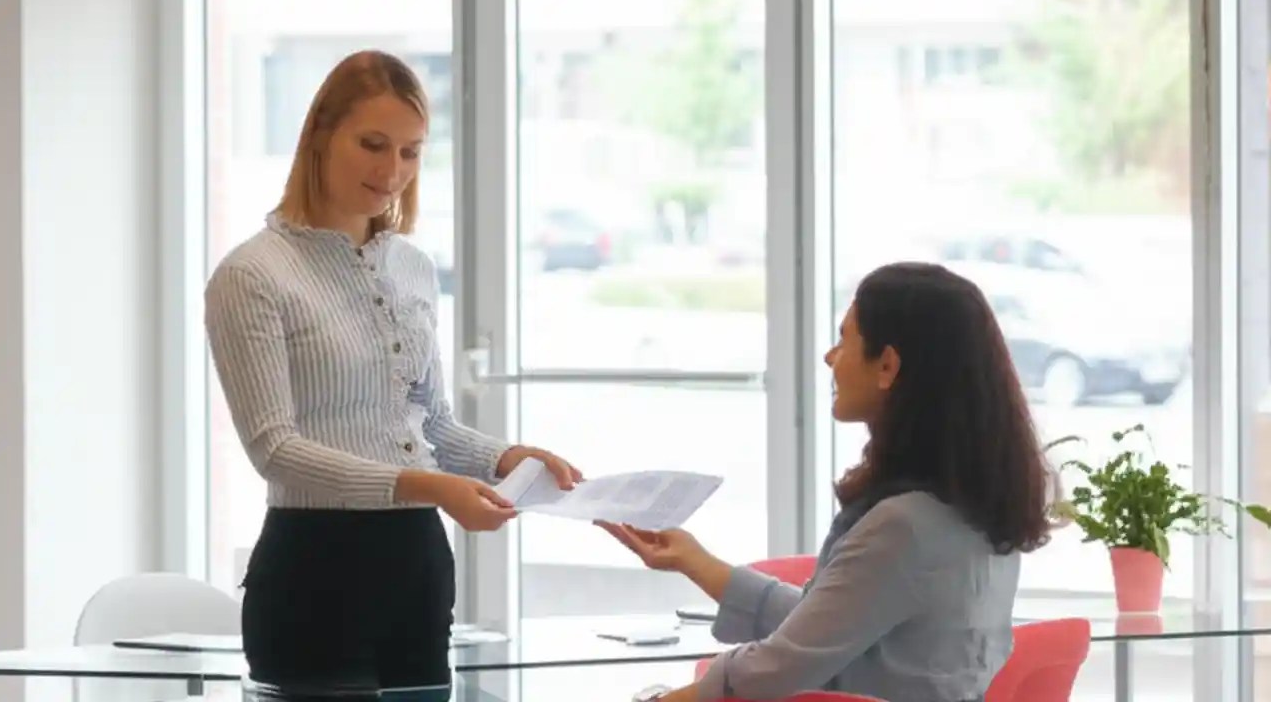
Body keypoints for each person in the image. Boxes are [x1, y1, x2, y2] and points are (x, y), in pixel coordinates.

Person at [205, 50, 580, 693]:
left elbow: (431, 423)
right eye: (373, 145)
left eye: (411, 152)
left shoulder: (412, 267)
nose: (392, 171)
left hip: (418, 566)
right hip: (313, 572)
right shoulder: (252, 275)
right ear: (320, 136)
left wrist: (507, 458)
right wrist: (427, 485)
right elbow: (276, 450)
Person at [602, 262, 1056, 702]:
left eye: (844, 339)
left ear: (887, 366)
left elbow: (778, 667)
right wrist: (695, 561)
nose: (829, 357)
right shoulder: (976, 509)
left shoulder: (905, 526)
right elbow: (819, 631)